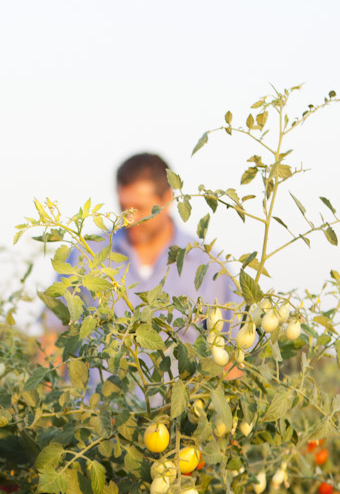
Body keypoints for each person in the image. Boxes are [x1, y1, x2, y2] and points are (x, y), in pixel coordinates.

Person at [34, 153, 237, 401]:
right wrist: (46, 409)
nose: (130, 220)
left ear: (167, 199)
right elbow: (53, 336)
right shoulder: (88, 254)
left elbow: (228, 355)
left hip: (177, 418)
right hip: (97, 417)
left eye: (139, 209)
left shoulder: (207, 264)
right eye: (124, 209)